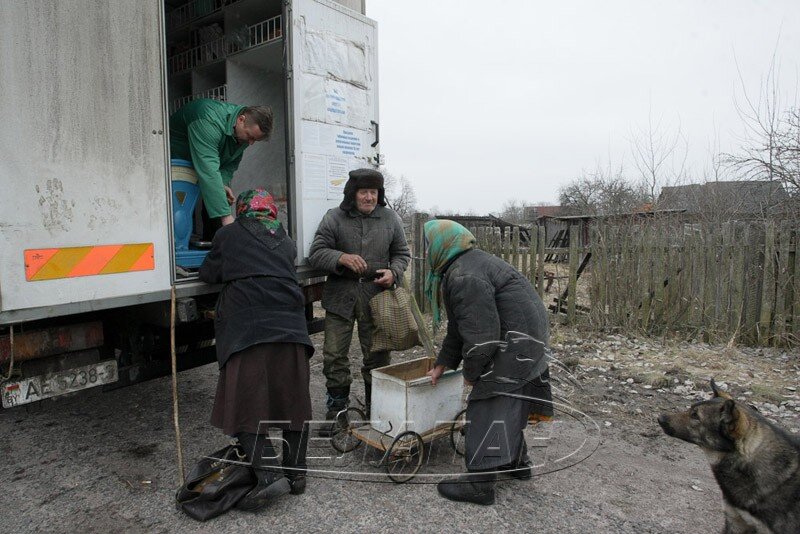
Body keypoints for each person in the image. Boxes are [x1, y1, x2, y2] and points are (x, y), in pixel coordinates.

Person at [199, 189, 314, 512]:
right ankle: (297, 476)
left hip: (247, 329)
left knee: (244, 404)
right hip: (292, 329)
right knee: (293, 402)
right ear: (271, 212)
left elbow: (209, 273)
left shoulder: (228, 234)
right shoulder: (286, 240)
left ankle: (269, 473)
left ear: (243, 209)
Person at [424, 219, 554, 506]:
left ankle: (480, 484)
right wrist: (443, 362)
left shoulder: (463, 276)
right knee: (511, 400)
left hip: (516, 342)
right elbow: (460, 327)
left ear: (439, 246)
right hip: (528, 338)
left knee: (487, 402)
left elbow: (482, 337)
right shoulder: (467, 265)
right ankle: (517, 464)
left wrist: (472, 374)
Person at [308, 169, 411, 429]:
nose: (368, 197)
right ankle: (337, 413)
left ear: (380, 194)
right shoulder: (334, 217)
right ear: (352, 194)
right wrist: (340, 258)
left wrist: (394, 272)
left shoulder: (391, 219)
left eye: (373, 193)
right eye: (363, 192)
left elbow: (402, 254)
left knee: (378, 356)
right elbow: (317, 253)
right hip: (341, 296)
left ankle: (375, 412)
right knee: (333, 355)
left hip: (377, 298)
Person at [169, 99, 274, 239]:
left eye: (255, 140)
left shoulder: (241, 133)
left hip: (203, 162)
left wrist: (223, 183)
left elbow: (229, 164)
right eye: (250, 136)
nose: (251, 143)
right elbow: (209, 170)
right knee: (181, 207)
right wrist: (226, 217)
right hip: (175, 161)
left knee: (217, 195)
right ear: (241, 119)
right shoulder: (208, 119)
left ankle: (213, 243)